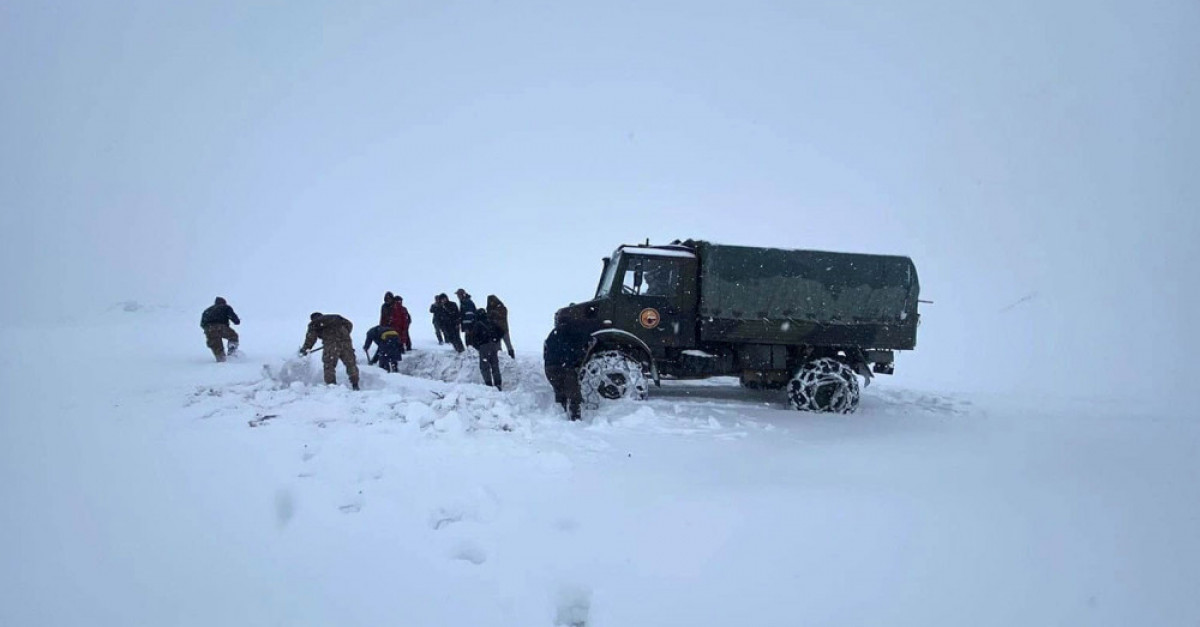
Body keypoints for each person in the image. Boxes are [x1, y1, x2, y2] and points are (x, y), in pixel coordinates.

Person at [300, 312, 360, 390]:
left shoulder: (315, 323)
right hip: (346, 342)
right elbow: (349, 325)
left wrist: (305, 349)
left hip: (331, 345)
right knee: (351, 363)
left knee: (329, 365)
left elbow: (311, 338)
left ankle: (332, 386)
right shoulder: (336, 317)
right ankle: (355, 385)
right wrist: (342, 336)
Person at [543, 326, 592, 420]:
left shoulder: (554, 333)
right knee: (573, 393)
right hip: (565, 367)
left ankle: (561, 413)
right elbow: (578, 349)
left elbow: (546, 349)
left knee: (559, 390)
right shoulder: (575, 332)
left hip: (550, 367)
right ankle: (575, 417)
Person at [467, 308, 505, 390]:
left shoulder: (478, 324)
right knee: (495, 365)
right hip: (493, 346)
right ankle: (498, 385)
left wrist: (478, 346)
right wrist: (496, 339)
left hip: (484, 347)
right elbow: (502, 331)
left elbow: (473, 338)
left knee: (484, 367)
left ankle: (489, 386)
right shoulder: (491, 322)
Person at [200, 297, 240, 362]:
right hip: (221, 327)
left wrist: (209, 329)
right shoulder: (225, 307)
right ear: (224, 302)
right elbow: (235, 320)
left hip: (208, 329)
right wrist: (236, 321)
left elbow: (202, 324)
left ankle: (221, 360)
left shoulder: (207, 310)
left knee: (218, 349)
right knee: (233, 336)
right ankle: (232, 353)